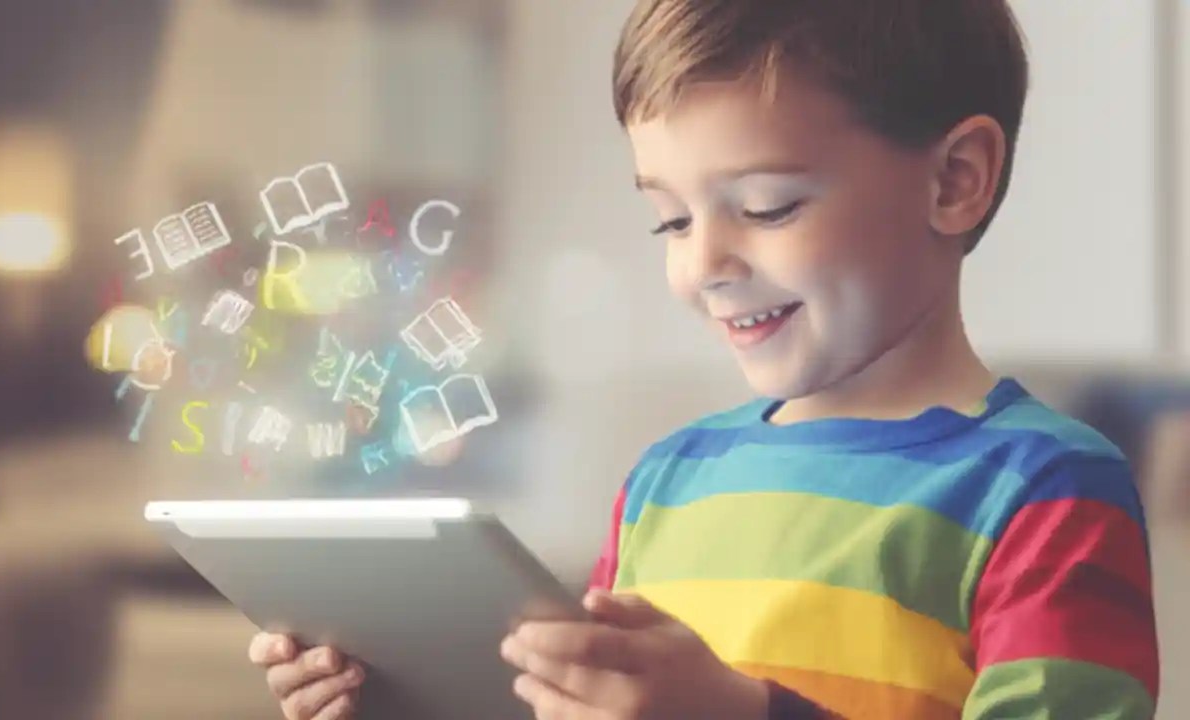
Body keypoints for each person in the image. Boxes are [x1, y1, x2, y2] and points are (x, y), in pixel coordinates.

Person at [248, 0, 1161, 717]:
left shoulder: (1046, 491)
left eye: (766, 207)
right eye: (672, 218)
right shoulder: (666, 481)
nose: (700, 265)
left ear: (955, 179)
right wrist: (402, 706)